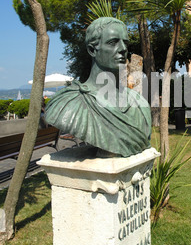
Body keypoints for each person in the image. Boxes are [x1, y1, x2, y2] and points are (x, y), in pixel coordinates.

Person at [45, 17, 152, 157]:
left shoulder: (139, 103)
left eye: (125, 43)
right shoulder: (68, 103)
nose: (123, 49)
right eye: (113, 42)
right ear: (92, 50)